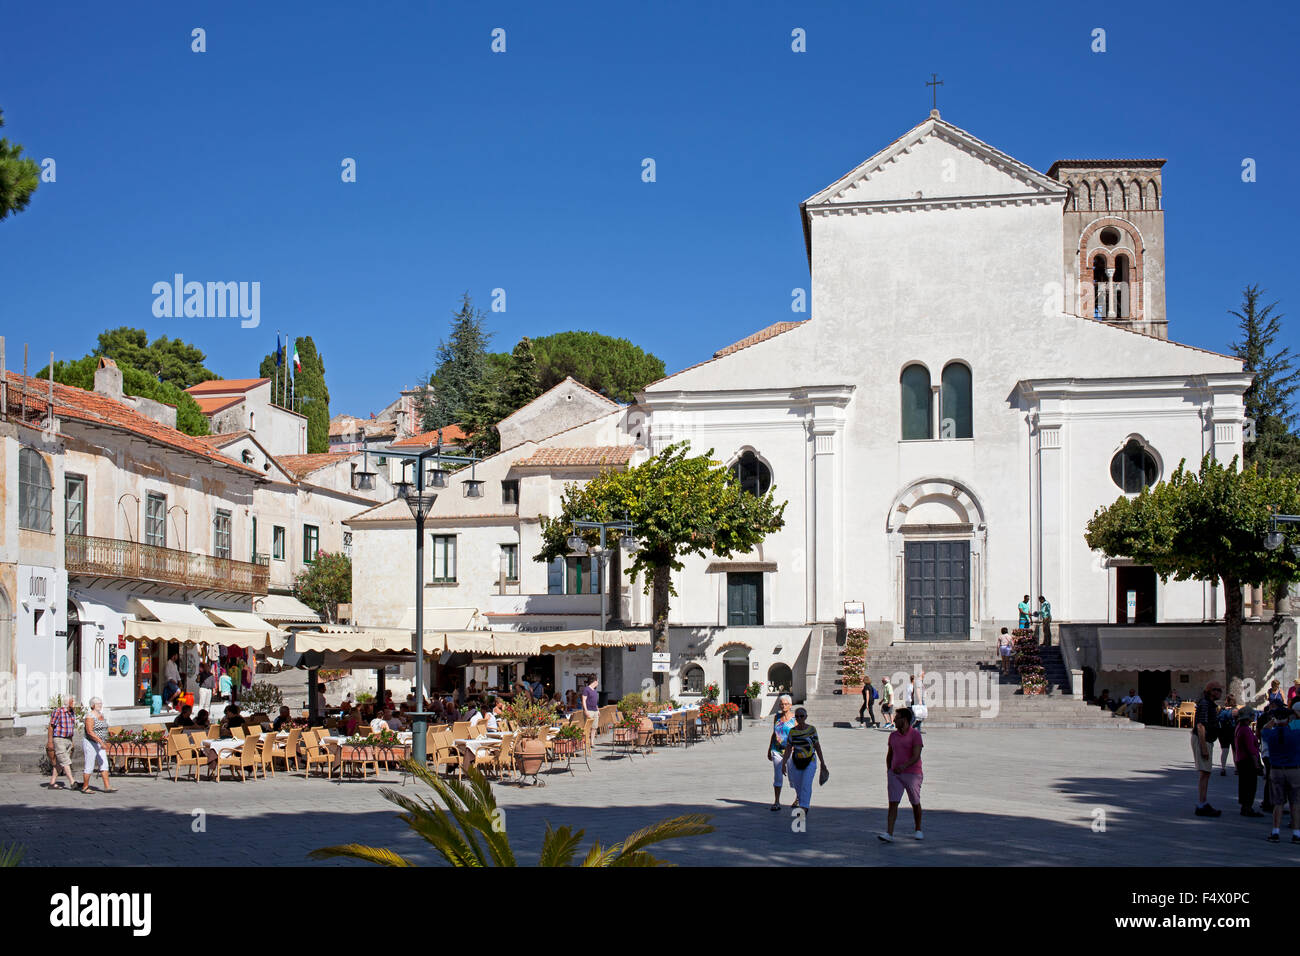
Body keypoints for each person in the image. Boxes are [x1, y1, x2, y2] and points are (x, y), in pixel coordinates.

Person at [879, 706, 924, 842]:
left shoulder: (915, 735)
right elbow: (890, 754)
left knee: (915, 802)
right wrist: (889, 770)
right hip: (895, 774)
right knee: (893, 803)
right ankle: (889, 833)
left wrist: (904, 766)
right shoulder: (893, 736)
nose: (894, 720)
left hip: (912, 774)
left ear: (904, 720)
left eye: (897, 718)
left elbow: (916, 756)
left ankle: (918, 829)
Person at [1261, 702, 1300, 842]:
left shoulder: (1270, 735)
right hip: (1294, 770)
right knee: (1295, 803)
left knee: (1278, 803)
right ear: (1289, 719)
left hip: (1276, 769)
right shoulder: (1296, 733)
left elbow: (1264, 729)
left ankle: (1275, 831)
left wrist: (1274, 719)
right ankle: (1296, 833)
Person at [780, 707, 827, 814]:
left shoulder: (811, 730)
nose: (799, 718)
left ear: (806, 717)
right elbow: (788, 747)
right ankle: (802, 802)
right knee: (797, 784)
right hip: (796, 761)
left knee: (806, 783)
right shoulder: (792, 732)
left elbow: (817, 745)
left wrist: (822, 762)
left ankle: (804, 806)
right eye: (797, 716)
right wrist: (784, 763)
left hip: (810, 760)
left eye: (802, 716)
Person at [1192, 681, 1224, 817]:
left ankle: (1203, 802)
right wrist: (1204, 747)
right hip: (1203, 740)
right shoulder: (1204, 704)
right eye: (1217, 690)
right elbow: (1200, 726)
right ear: (1210, 691)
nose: (1219, 693)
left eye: (1220, 690)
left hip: (1207, 740)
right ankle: (1201, 804)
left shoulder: (1210, 705)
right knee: (1204, 772)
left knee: (1206, 772)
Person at [767, 694, 797, 811]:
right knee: (777, 775)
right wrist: (769, 748)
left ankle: (798, 798)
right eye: (782, 704)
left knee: (793, 776)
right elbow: (774, 733)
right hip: (777, 750)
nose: (783, 706)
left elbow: (798, 736)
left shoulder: (795, 719)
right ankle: (776, 801)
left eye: (786, 704)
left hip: (790, 752)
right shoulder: (777, 717)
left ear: (790, 705)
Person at [80, 697, 116, 794]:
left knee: (104, 763)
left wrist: (108, 734)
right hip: (91, 742)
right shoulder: (90, 716)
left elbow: (102, 727)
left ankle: (107, 786)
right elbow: (90, 731)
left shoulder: (101, 714)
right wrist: (100, 741)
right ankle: (85, 786)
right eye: (98, 703)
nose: (100, 705)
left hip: (101, 743)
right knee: (89, 765)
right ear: (92, 705)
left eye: (101, 703)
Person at [1233, 708, 1264, 817]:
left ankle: (1245, 807)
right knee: (1250, 785)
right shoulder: (1245, 730)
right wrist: (1257, 764)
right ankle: (1247, 807)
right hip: (1247, 761)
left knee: (1244, 784)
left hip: (1241, 759)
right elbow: (1251, 749)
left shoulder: (1239, 727)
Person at [46, 696, 78, 790]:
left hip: (68, 739)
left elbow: (70, 728)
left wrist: (72, 741)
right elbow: (51, 726)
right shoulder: (58, 711)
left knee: (61, 762)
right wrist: (50, 741)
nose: (75, 703)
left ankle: (52, 783)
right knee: (65, 761)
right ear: (68, 702)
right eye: (73, 701)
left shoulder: (72, 713)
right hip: (59, 739)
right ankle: (72, 782)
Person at [1216, 696, 1238, 775]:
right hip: (1233, 731)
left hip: (1223, 732)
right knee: (1235, 751)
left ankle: (1223, 768)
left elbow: (1218, 719)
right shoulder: (1235, 710)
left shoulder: (1222, 710)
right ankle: (1236, 768)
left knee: (1225, 750)